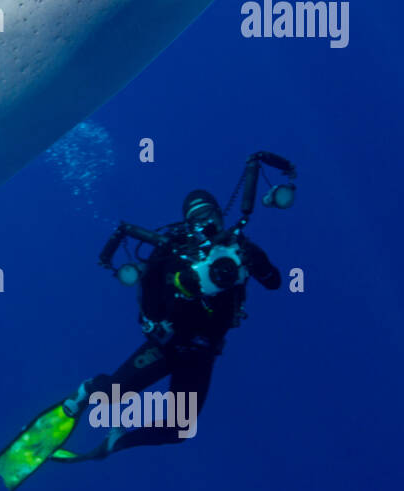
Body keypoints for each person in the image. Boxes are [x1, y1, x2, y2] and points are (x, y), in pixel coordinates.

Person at [58, 188, 281, 461]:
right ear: (188, 223)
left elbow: (274, 282)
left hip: (203, 352)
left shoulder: (241, 249)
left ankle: (118, 441)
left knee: (179, 429)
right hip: (168, 342)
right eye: (197, 218)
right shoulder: (171, 249)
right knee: (113, 394)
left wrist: (257, 262)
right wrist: (180, 283)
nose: (206, 223)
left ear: (221, 216)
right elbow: (149, 305)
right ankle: (87, 391)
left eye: (210, 214)